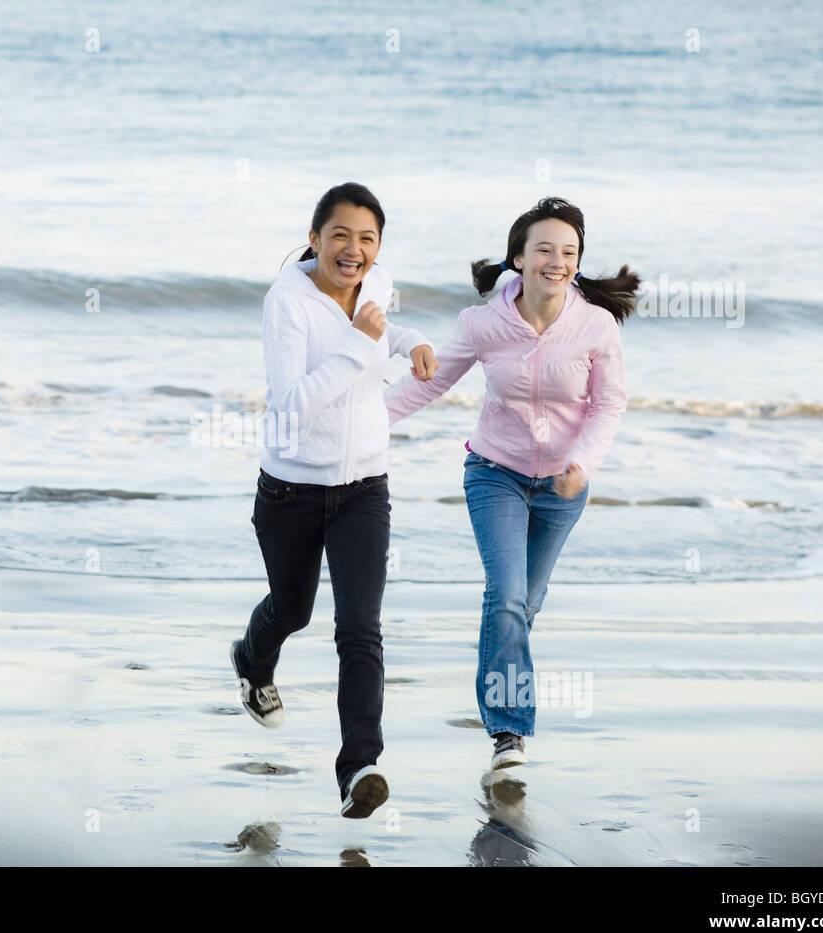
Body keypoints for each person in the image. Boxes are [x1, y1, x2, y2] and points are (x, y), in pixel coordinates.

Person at [383, 196, 638, 771]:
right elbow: (430, 384)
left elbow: (609, 404)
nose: (558, 260)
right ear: (517, 259)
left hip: (563, 486)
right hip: (494, 472)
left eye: (569, 251)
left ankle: (502, 674)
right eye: (544, 249)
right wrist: (365, 421)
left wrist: (584, 462)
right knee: (507, 596)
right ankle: (508, 734)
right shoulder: (483, 323)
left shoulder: (595, 325)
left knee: (525, 603)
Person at [231, 182, 439, 818]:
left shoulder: (376, 285)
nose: (354, 250)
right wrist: (359, 346)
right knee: (292, 611)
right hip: (291, 488)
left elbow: (381, 323)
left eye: (368, 238)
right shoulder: (286, 304)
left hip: (363, 489)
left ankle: (361, 768)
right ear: (315, 237)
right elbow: (290, 409)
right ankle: (251, 660)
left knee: (360, 627)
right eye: (341, 236)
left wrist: (407, 342)